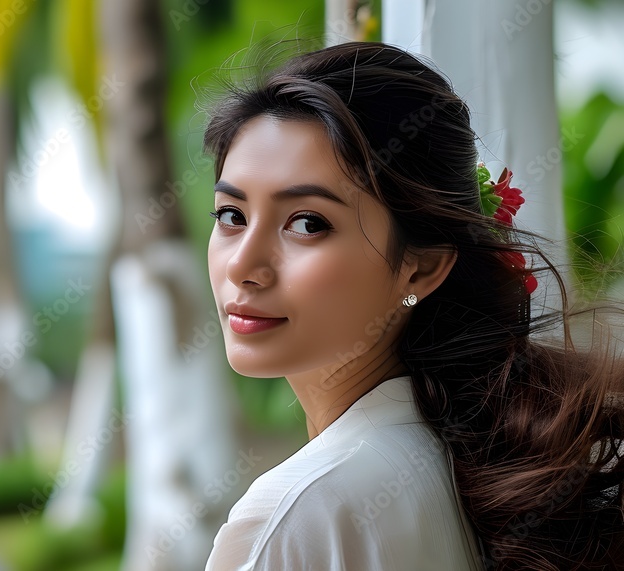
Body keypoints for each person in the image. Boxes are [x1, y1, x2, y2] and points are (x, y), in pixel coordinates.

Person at [201, 41, 624, 570]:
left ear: (420, 269)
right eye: (231, 215)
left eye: (308, 223)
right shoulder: (461, 464)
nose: (244, 265)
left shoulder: (298, 515)